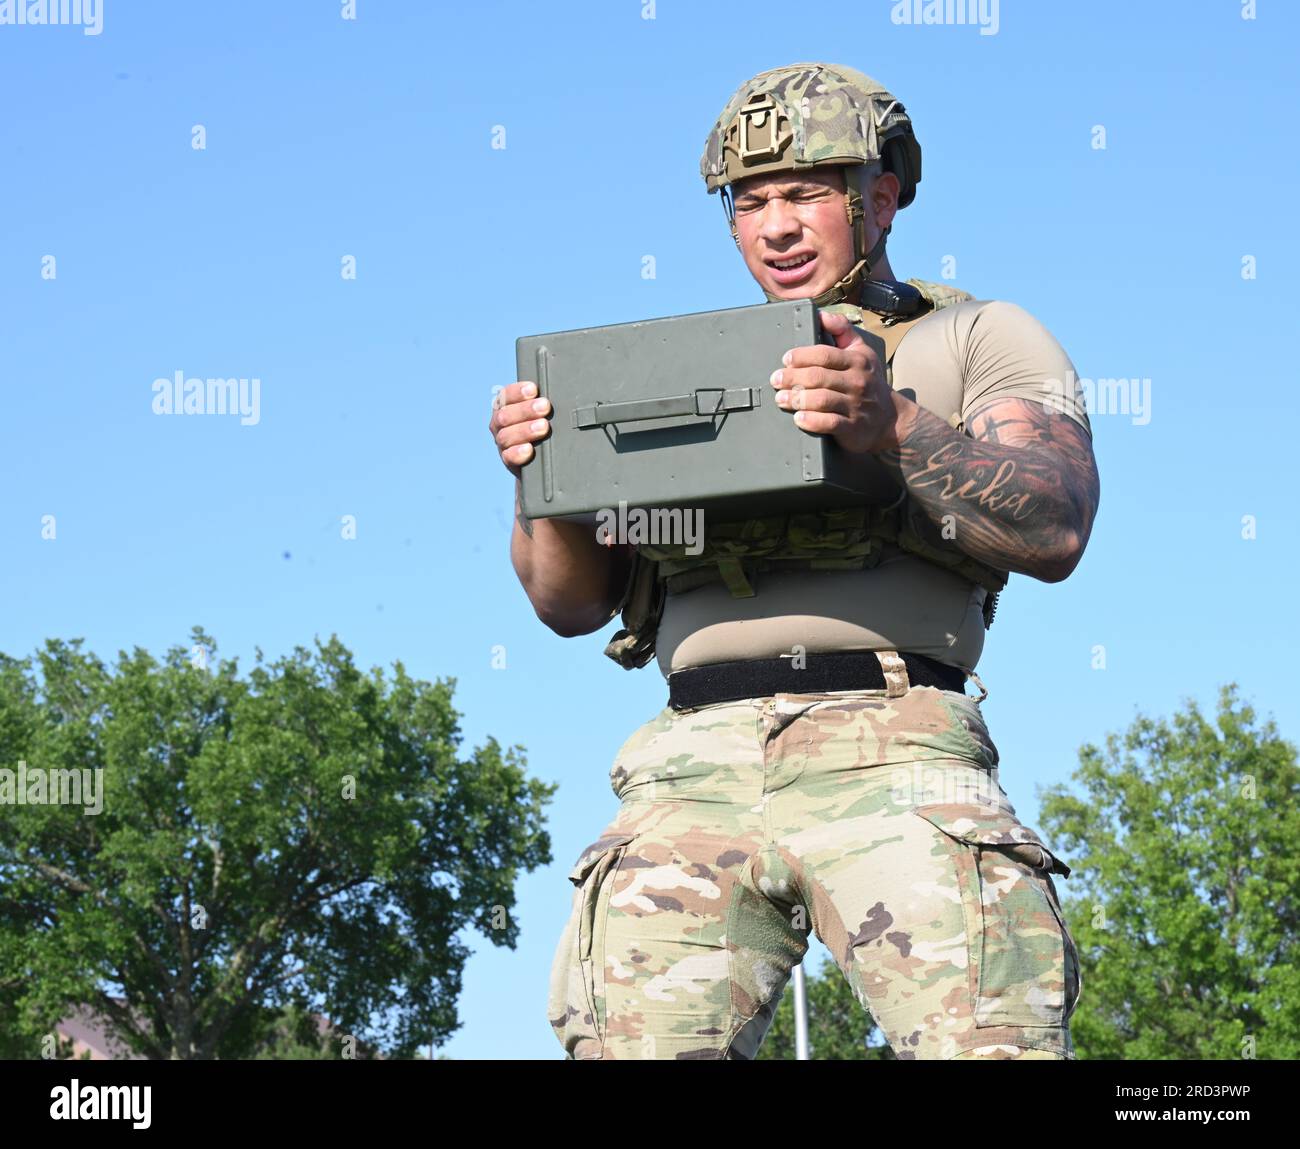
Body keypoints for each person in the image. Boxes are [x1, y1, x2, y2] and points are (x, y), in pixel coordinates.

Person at [489, 62, 1100, 1060]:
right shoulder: (667, 378)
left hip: (896, 745)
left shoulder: (972, 336)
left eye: (806, 193)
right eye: (750, 201)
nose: (775, 226)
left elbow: (1055, 523)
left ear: (881, 198)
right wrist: (540, 477)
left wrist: (889, 425)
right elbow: (567, 605)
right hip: (686, 767)